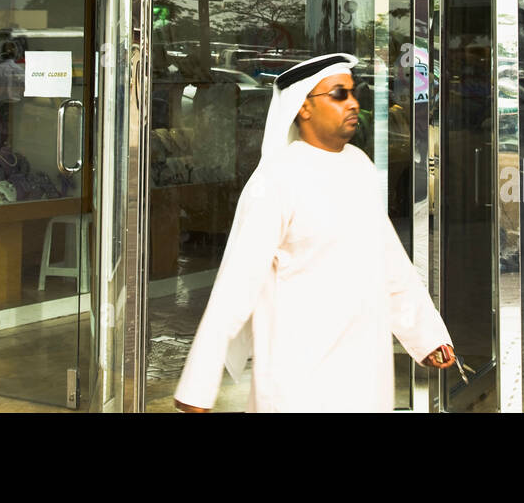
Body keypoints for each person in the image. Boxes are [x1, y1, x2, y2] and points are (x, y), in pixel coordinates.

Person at [173, 53, 455, 413]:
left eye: (353, 94)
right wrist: (198, 386)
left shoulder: (360, 167)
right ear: (303, 107)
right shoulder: (276, 181)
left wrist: (426, 336)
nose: (353, 103)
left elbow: (388, 262)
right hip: (298, 382)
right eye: (339, 94)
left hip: (366, 375)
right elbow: (235, 289)